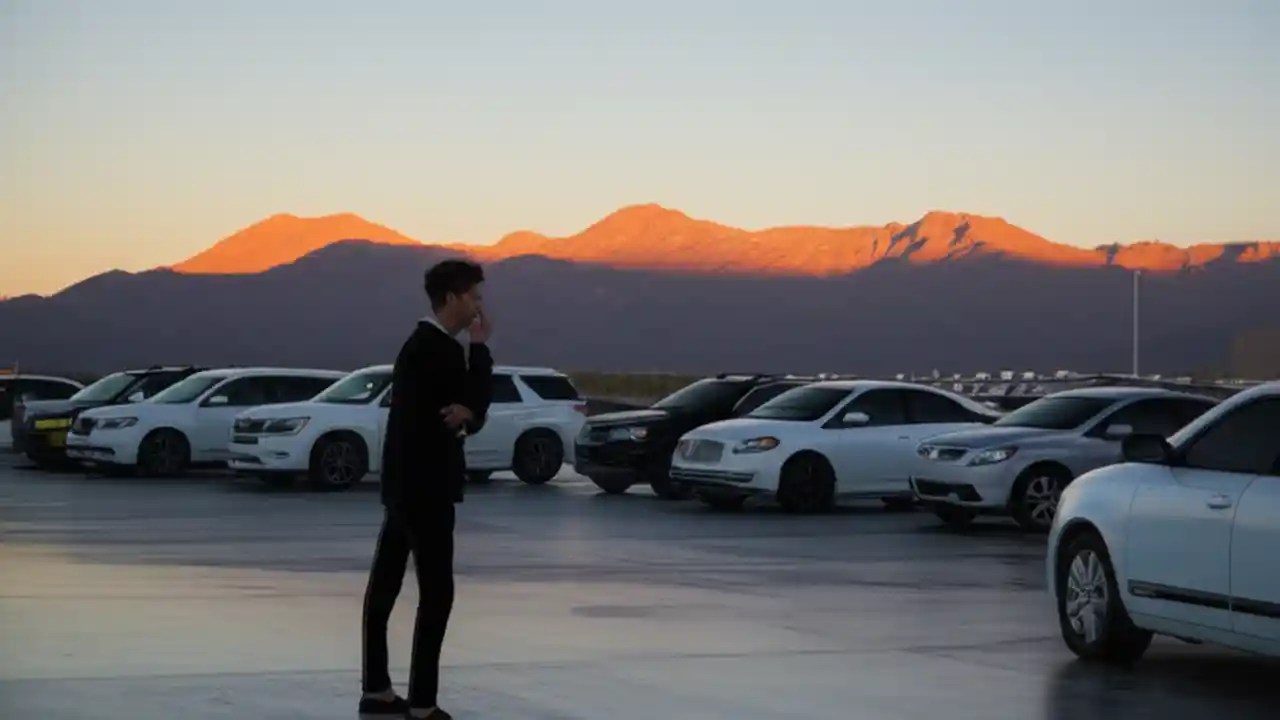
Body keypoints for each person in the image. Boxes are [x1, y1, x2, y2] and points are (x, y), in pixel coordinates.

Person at [359, 259, 493, 720]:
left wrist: (466, 414)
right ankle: (422, 704)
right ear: (453, 298)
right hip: (428, 489)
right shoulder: (441, 350)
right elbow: (469, 410)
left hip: (401, 485)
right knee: (437, 594)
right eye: (474, 296)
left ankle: (377, 690)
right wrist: (480, 351)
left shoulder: (415, 347)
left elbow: (464, 414)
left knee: (386, 587)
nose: (479, 306)